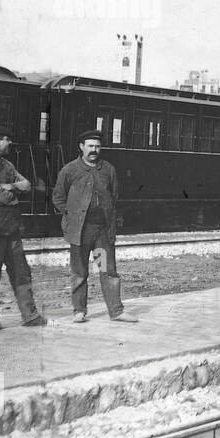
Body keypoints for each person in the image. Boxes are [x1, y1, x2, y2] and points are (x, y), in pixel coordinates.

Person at [52, 130, 138, 323]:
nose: (94, 150)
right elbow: (58, 197)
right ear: (81, 147)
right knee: (80, 272)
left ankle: (116, 311)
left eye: (97, 146)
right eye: (90, 146)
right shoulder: (70, 170)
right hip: (80, 232)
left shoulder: (108, 170)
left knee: (107, 270)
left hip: (101, 232)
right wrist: (70, 215)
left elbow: (114, 196)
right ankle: (79, 311)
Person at [0, 126, 47, 329]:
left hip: (12, 231)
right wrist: (12, 190)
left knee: (21, 273)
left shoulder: (7, 165)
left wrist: (8, 187)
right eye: (7, 139)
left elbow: (28, 184)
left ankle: (30, 316)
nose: (10, 143)